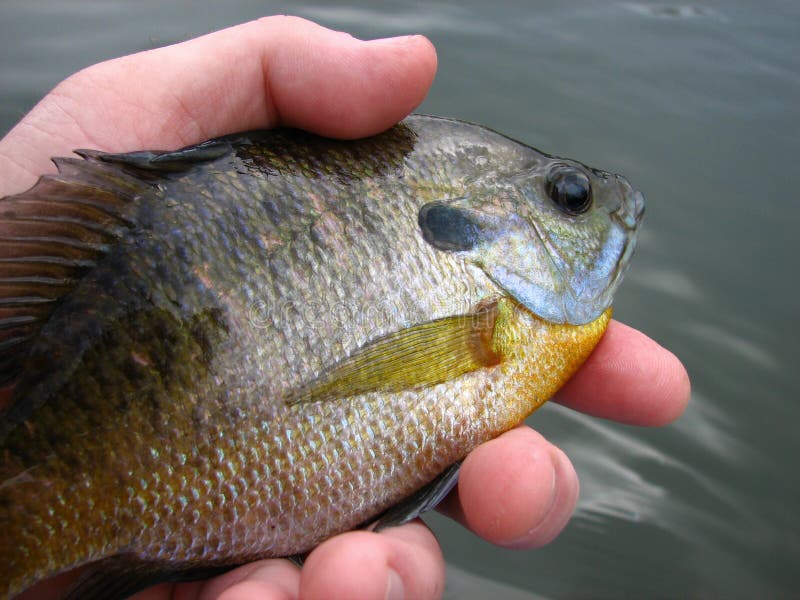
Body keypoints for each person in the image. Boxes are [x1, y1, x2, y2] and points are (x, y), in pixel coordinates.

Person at [0, 16, 690, 600]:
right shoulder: (498, 324)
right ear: (482, 219)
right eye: (569, 197)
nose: (609, 205)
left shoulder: (511, 323)